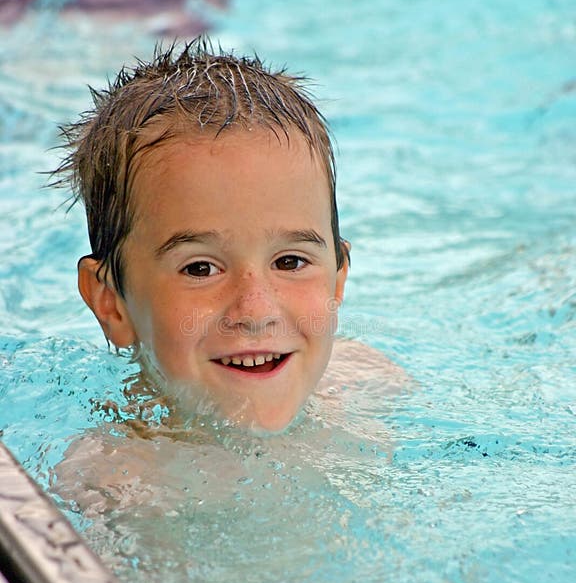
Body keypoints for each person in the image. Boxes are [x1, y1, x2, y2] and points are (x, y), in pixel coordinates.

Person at [54, 38, 403, 440]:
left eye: (290, 262)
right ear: (112, 304)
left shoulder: (370, 387)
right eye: (200, 268)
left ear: (337, 279)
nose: (256, 312)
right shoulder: (115, 480)